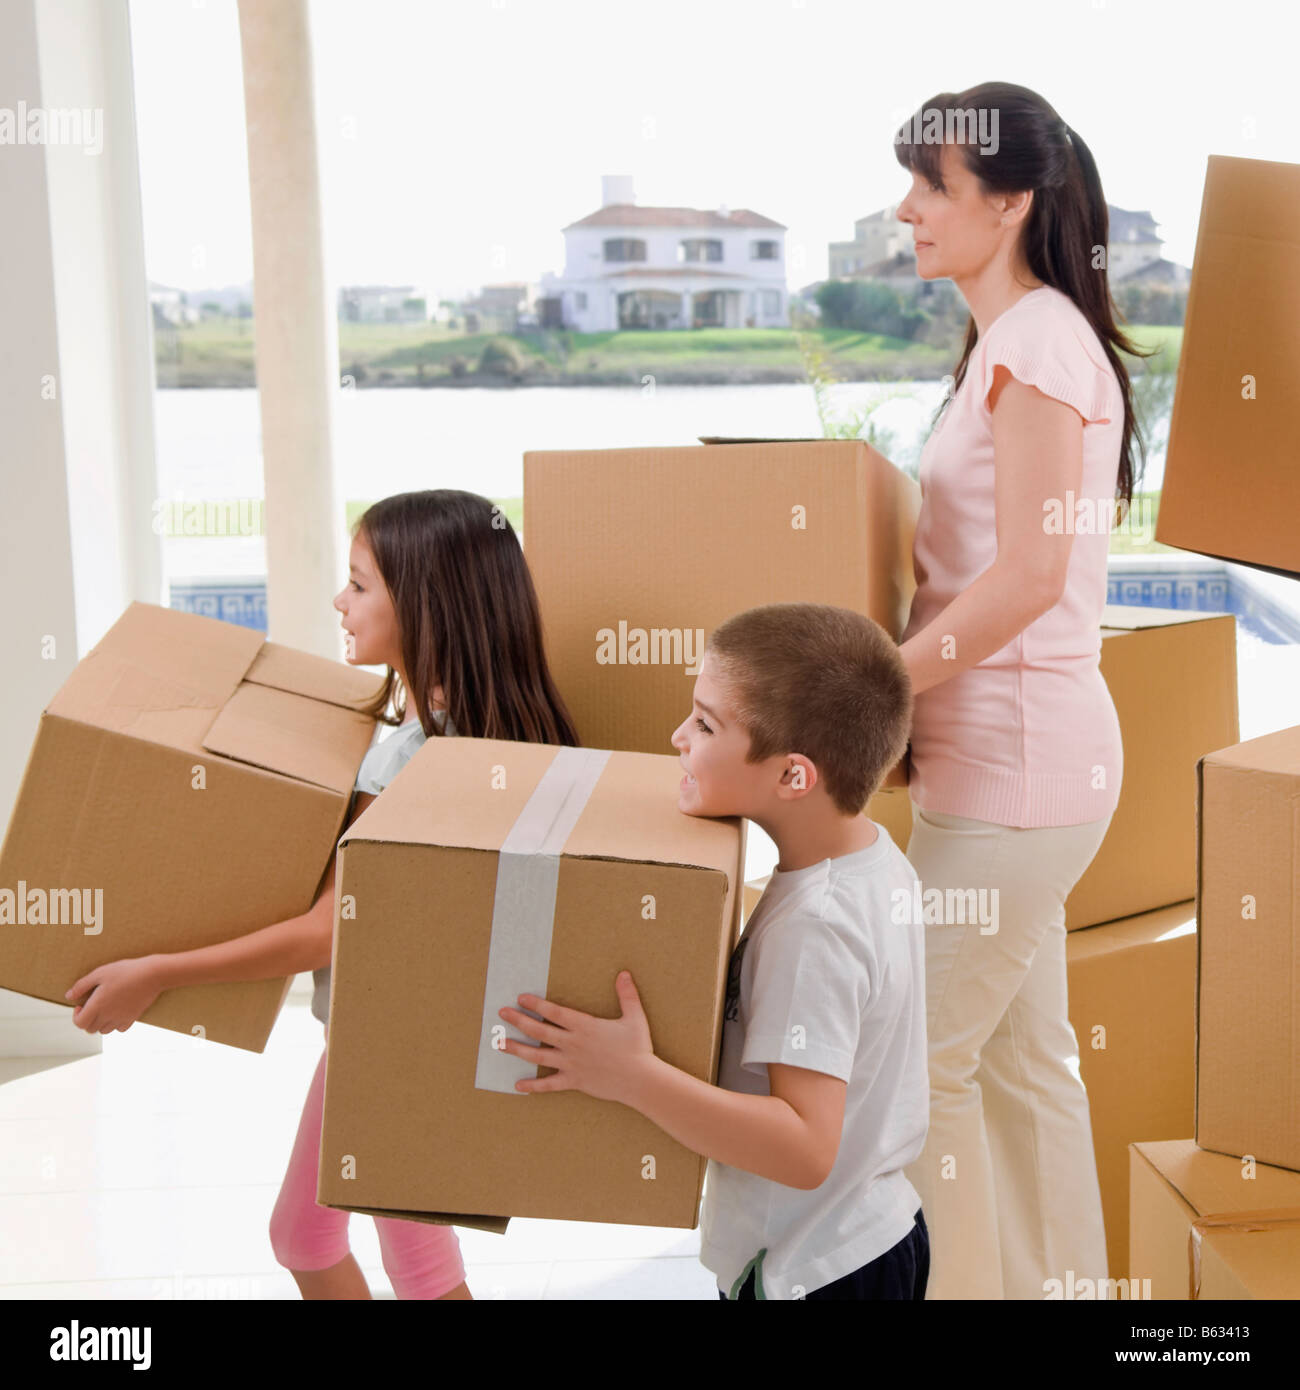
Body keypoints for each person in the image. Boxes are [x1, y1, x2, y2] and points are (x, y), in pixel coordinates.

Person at [66, 489, 579, 1300]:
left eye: (359, 583)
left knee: (368, 1253)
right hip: (431, 1034)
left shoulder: (410, 761)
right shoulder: (507, 737)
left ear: (426, 602)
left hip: (392, 1046)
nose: (340, 602)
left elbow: (332, 931)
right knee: (317, 1237)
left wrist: (159, 970)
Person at [890, 82, 1156, 1299]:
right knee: (1021, 1063)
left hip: (1016, 769)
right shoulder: (1008, 343)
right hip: (996, 766)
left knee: (920, 1068)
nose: (906, 211)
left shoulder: (1041, 341)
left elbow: (1034, 573)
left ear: (1010, 203)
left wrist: (878, 688)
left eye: (931, 189)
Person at [496, 602, 930, 1300]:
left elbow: (805, 1146)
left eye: (704, 724)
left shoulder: (813, 928)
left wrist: (632, 1077)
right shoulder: (873, 859)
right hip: (870, 1235)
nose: (677, 736)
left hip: (814, 1270)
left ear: (793, 777)